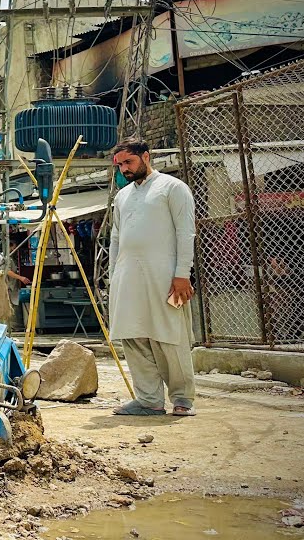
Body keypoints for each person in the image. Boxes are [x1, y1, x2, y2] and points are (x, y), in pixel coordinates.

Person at [107, 138, 197, 417]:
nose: (124, 169)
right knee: (132, 337)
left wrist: (182, 274)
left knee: (170, 336)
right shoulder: (122, 196)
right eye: (120, 164)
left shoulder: (173, 188)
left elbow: (186, 233)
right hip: (128, 278)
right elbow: (116, 239)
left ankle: (182, 399)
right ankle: (149, 400)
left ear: (145, 157)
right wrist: (114, 278)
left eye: (128, 162)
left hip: (165, 278)